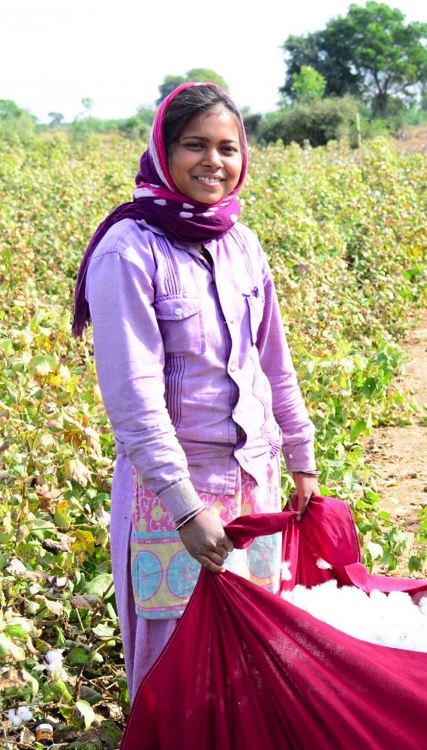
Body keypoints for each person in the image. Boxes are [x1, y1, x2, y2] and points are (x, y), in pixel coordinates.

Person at [72, 82, 320, 701]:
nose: (214, 161)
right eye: (195, 145)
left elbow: (274, 364)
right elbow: (133, 400)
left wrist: (302, 460)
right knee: (173, 645)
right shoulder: (128, 251)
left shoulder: (240, 242)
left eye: (227, 148)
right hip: (174, 488)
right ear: (164, 151)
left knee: (252, 638)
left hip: (253, 478)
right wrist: (185, 507)